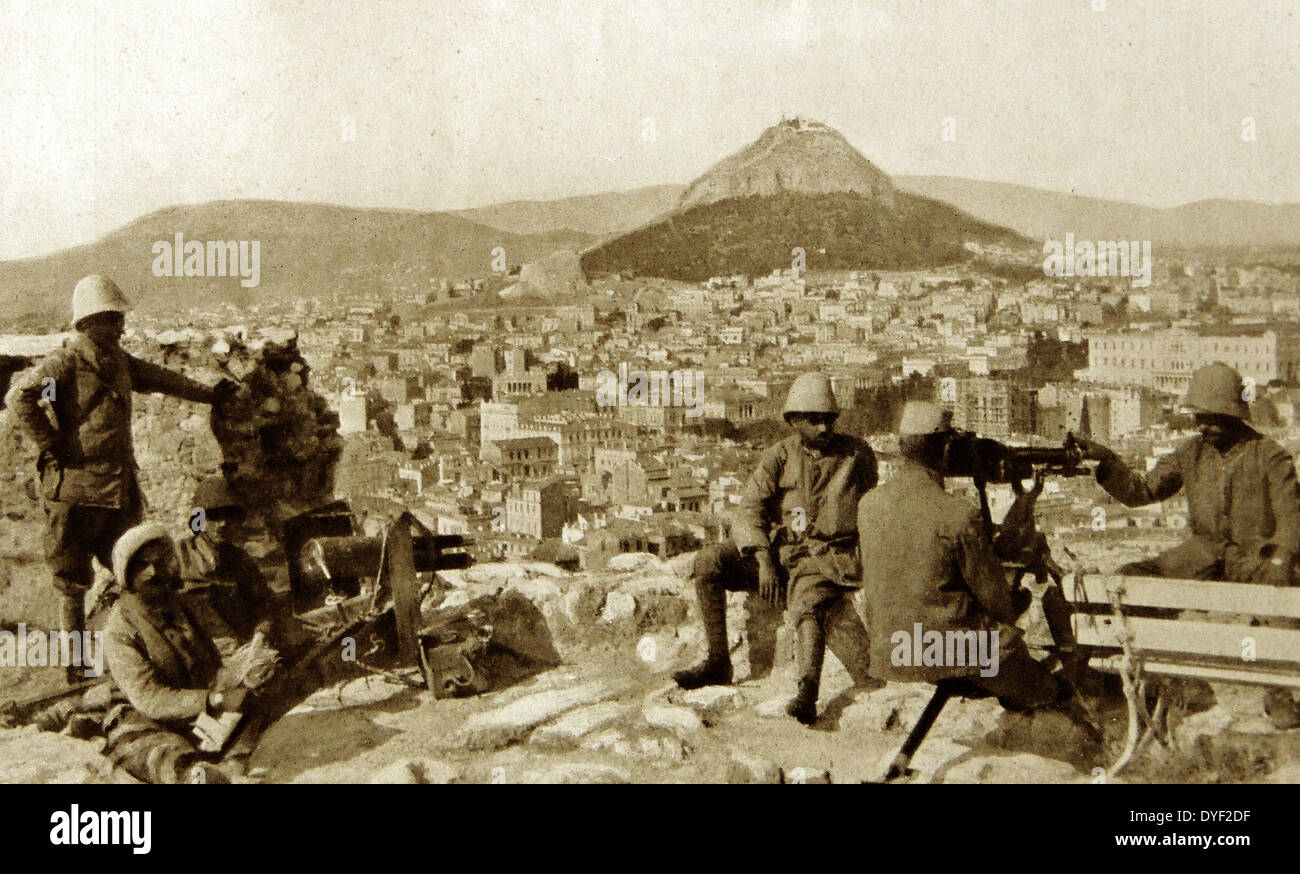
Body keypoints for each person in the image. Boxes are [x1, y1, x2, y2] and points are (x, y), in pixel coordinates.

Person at [11, 275, 230, 683]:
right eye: (112, 319)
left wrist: (211, 395)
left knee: (136, 571)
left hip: (118, 491)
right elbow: (20, 397)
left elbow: (165, 379)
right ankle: (75, 669)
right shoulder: (64, 363)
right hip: (75, 493)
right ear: (88, 322)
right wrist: (50, 444)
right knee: (72, 585)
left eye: (119, 319)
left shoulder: (119, 361)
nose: (121, 327)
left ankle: (143, 659)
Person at [1075, 362, 1300, 728]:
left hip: (1254, 555)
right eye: (1199, 417)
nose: (1202, 426)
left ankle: (1279, 695)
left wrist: (1281, 559)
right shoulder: (1189, 453)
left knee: (1279, 602)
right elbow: (1141, 491)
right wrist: (1106, 460)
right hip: (1203, 551)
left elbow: (1292, 519)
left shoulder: (1269, 455)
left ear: (1233, 415)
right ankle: (1155, 679)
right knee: (1131, 580)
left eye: (1212, 418)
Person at [673, 371, 878, 725]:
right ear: (794, 420)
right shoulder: (779, 457)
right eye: (814, 420)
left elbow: (874, 504)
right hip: (782, 554)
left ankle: (807, 692)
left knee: (808, 601)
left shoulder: (856, 455)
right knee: (709, 561)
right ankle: (718, 660)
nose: (824, 428)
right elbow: (750, 509)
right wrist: (763, 558)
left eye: (828, 420)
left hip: (827, 558)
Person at [857, 402, 1071, 712]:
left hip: (890, 650)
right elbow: (997, 601)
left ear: (902, 447)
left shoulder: (869, 505)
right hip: (949, 652)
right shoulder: (957, 514)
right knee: (1040, 681)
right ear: (945, 450)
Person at [101, 524, 245, 783]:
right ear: (127, 575)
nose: (154, 572)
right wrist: (212, 700)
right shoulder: (119, 628)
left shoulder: (186, 604)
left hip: (202, 709)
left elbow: (224, 649)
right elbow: (150, 699)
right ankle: (193, 776)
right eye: (143, 566)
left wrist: (244, 667)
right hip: (147, 717)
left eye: (161, 562)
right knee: (155, 752)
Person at [178, 475, 287, 648]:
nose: (222, 524)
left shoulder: (240, 560)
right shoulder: (179, 556)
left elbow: (265, 607)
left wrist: (261, 634)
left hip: (239, 648)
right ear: (199, 521)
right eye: (213, 516)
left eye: (229, 516)